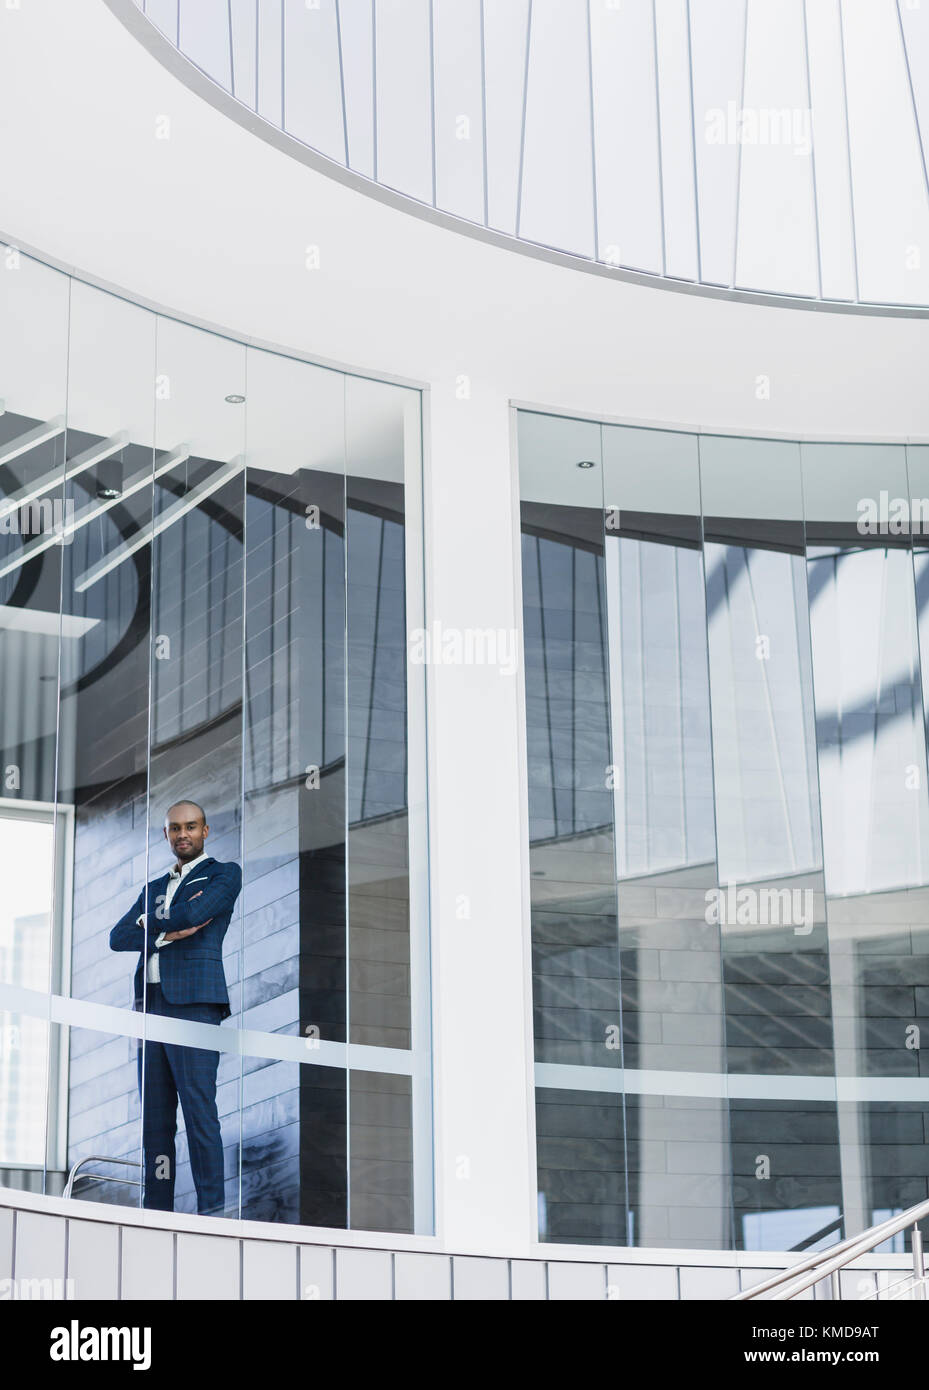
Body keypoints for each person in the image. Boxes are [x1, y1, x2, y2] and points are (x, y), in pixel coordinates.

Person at [109, 801, 242, 1216]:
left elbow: (197, 912)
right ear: (166, 835)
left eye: (190, 827)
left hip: (194, 1005)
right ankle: (157, 1211)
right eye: (174, 829)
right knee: (156, 1122)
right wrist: (167, 930)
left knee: (200, 1112)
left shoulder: (224, 873)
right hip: (150, 1007)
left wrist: (148, 924)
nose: (182, 834)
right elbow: (117, 937)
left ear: (205, 831)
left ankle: (213, 1212)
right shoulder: (153, 887)